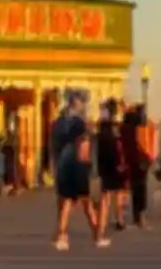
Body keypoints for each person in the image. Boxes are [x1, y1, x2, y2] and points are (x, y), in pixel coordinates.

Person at [53, 117, 107, 250]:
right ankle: (97, 236)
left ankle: (62, 237)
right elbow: (85, 160)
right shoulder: (83, 142)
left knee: (66, 206)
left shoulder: (65, 146)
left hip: (64, 176)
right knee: (88, 206)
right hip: (80, 174)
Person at [96, 99, 128, 233]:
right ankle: (119, 220)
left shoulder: (101, 127)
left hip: (104, 163)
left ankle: (101, 224)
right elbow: (120, 147)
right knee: (119, 192)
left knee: (106, 195)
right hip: (116, 163)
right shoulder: (117, 128)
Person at [122, 105, 152, 228]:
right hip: (139, 159)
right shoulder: (139, 128)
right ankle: (141, 217)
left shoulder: (124, 129)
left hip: (129, 159)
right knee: (141, 187)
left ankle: (136, 217)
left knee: (135, 188)